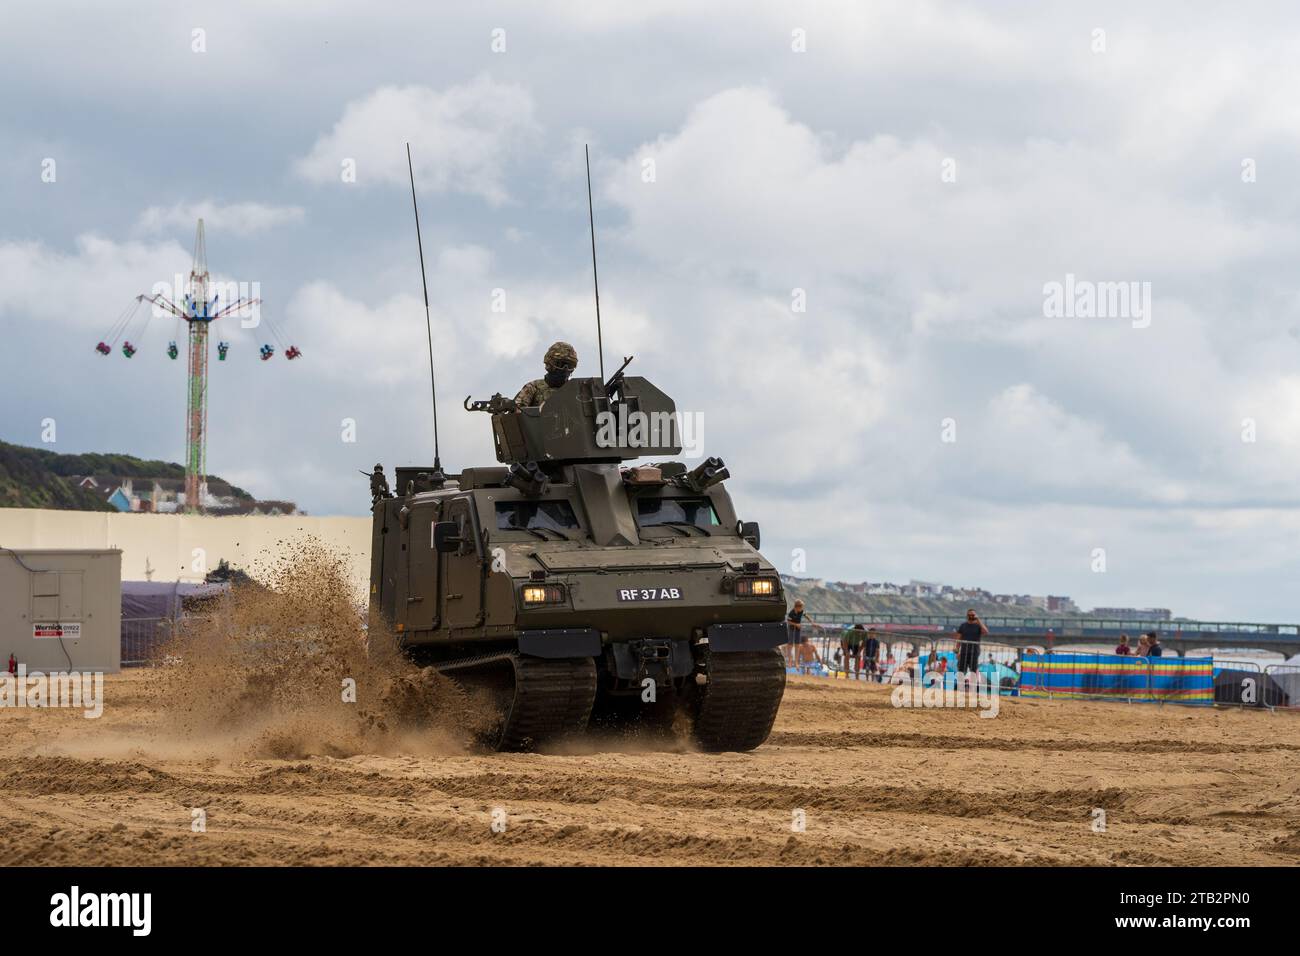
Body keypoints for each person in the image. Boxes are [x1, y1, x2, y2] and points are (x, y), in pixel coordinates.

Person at [514, 341, 578, 408]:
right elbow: (518, 413)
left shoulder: (575, 392)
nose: (565, 369)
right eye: (560, 364)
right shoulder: (533, 387)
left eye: (569, 366)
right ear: (550, 364)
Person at [954, 608, 988, 688]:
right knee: (961, 669)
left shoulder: (978, 626)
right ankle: (960, 686)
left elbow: (986, 632)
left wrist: (978, 620)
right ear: (967, 616)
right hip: (964, 651)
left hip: (974, 652)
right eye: (969, 615)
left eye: (973, 615)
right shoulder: (963, 625)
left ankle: (973, 687)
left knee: (973, 670)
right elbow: (959, 638)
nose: (971, 616)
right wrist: (957, 650)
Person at [785, 599, 809, 667]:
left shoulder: (801, 611)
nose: (802, 609)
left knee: (797, 645)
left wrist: (811, 621)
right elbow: (788, 622)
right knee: (790, 645)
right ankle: (790, 660)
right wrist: (796, 625)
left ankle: (796, 662)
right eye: (801, 607)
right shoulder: (791, 613)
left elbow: (805, 615)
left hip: (798, 630)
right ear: (797, 607)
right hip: (791, 629)